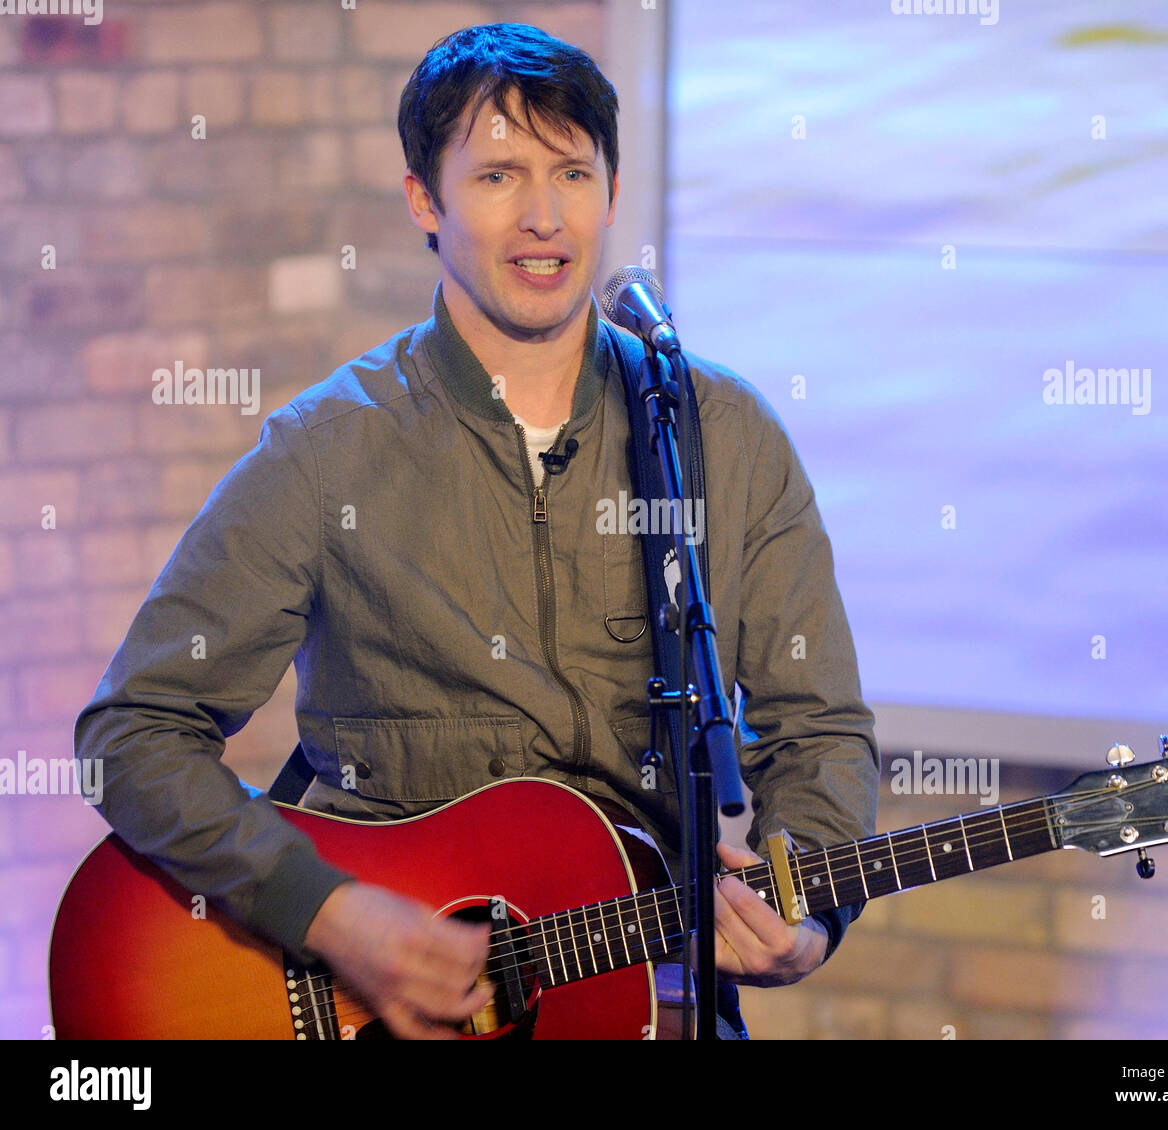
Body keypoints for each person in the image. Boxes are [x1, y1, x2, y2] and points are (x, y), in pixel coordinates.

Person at [73, 22, 879, 1040]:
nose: (544, 217)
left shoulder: (724, 434)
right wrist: (328, 909)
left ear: (611, 195)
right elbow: (129, 734)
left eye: (573, 174)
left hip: (643, 1005)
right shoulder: (327, 449)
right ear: (424, 199)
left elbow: (818, 733)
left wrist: (807, 913)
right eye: (498, 175)